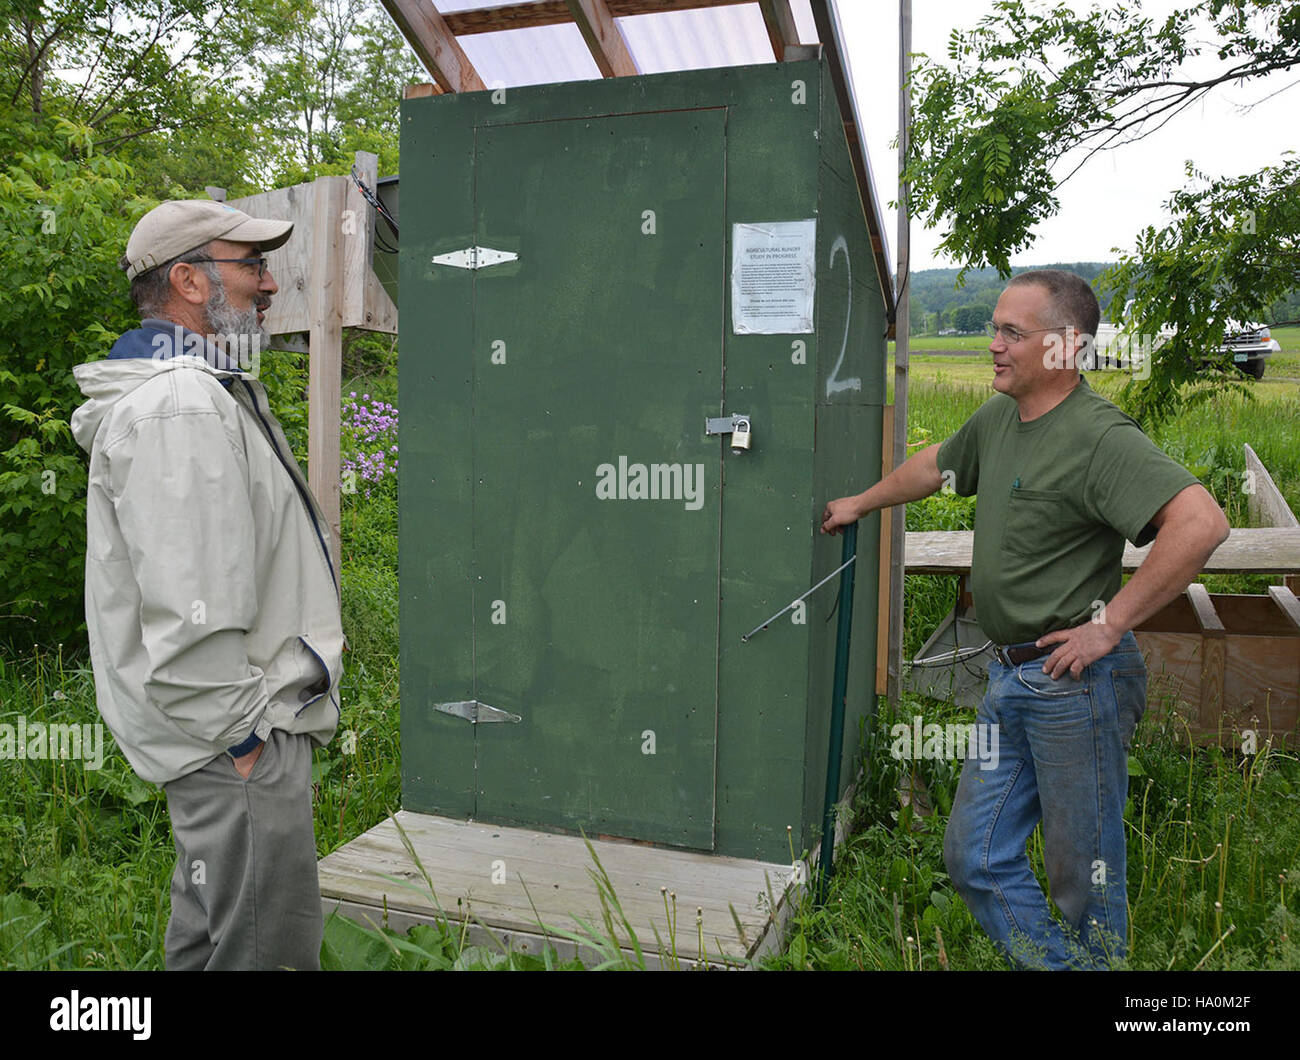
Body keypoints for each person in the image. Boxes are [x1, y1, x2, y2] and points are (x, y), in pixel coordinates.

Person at [821, 269, 1229, 969]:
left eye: (1012, 331)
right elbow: (935, 467)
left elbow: (1201, 523)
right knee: (974, 858)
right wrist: (862, 502)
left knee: (1085, 885)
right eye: (994, 328)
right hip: (1009, 676)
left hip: (1076, 683)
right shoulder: (1001, 419)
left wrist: (1110, 624)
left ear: (1067, 347)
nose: (994, 344)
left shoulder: (1098, 436)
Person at [70, 199, 345, 970]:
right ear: (188, 279)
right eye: (251, 266)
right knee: (268, 954)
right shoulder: (180, 406)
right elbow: (193, 602)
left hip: (220, 740)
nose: (268, 285)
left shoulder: (196, 392)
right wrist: (245, 741)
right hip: (235, 744)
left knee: (210, 945)